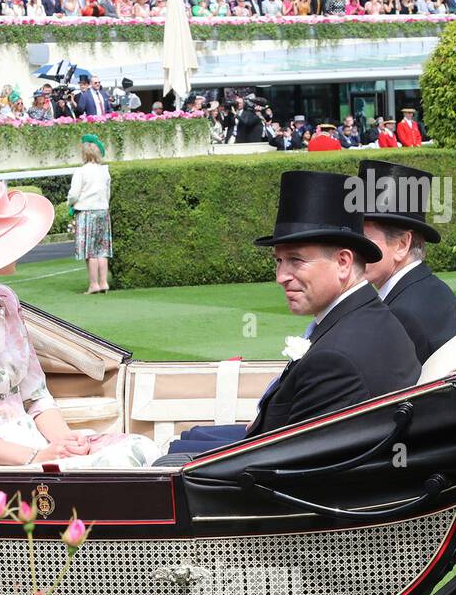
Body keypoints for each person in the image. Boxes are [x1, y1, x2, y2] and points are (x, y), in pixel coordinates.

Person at [0, 181, 161, 469]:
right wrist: (35, 457)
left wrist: (65, 443)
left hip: (36, 444)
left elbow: (37, 395)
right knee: (121, 465)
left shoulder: (5, 301)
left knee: (143, 448)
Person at [168, 170, 420, 454]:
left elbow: (289, 466)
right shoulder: (368, 319)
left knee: (165, 458)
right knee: (184, 439)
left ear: (343, 262)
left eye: (295, 260)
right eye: (278, 261)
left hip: (278, 484)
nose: (281, 276)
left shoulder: (336, 359)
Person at [358, 160, 456, 364]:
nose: (354, 249)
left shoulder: (400, 314)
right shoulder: (430, 288)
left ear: (401, 244)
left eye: (363, 238)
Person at [67, 134, 113, 295]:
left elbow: (74, 194)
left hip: (86, 212)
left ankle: (93, 284)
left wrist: (71, 205)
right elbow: (107, 193)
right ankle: (104, 282)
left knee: (90, 251)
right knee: (102, 249)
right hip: (102, 211)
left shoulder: (81, 172)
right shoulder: (104, 171)